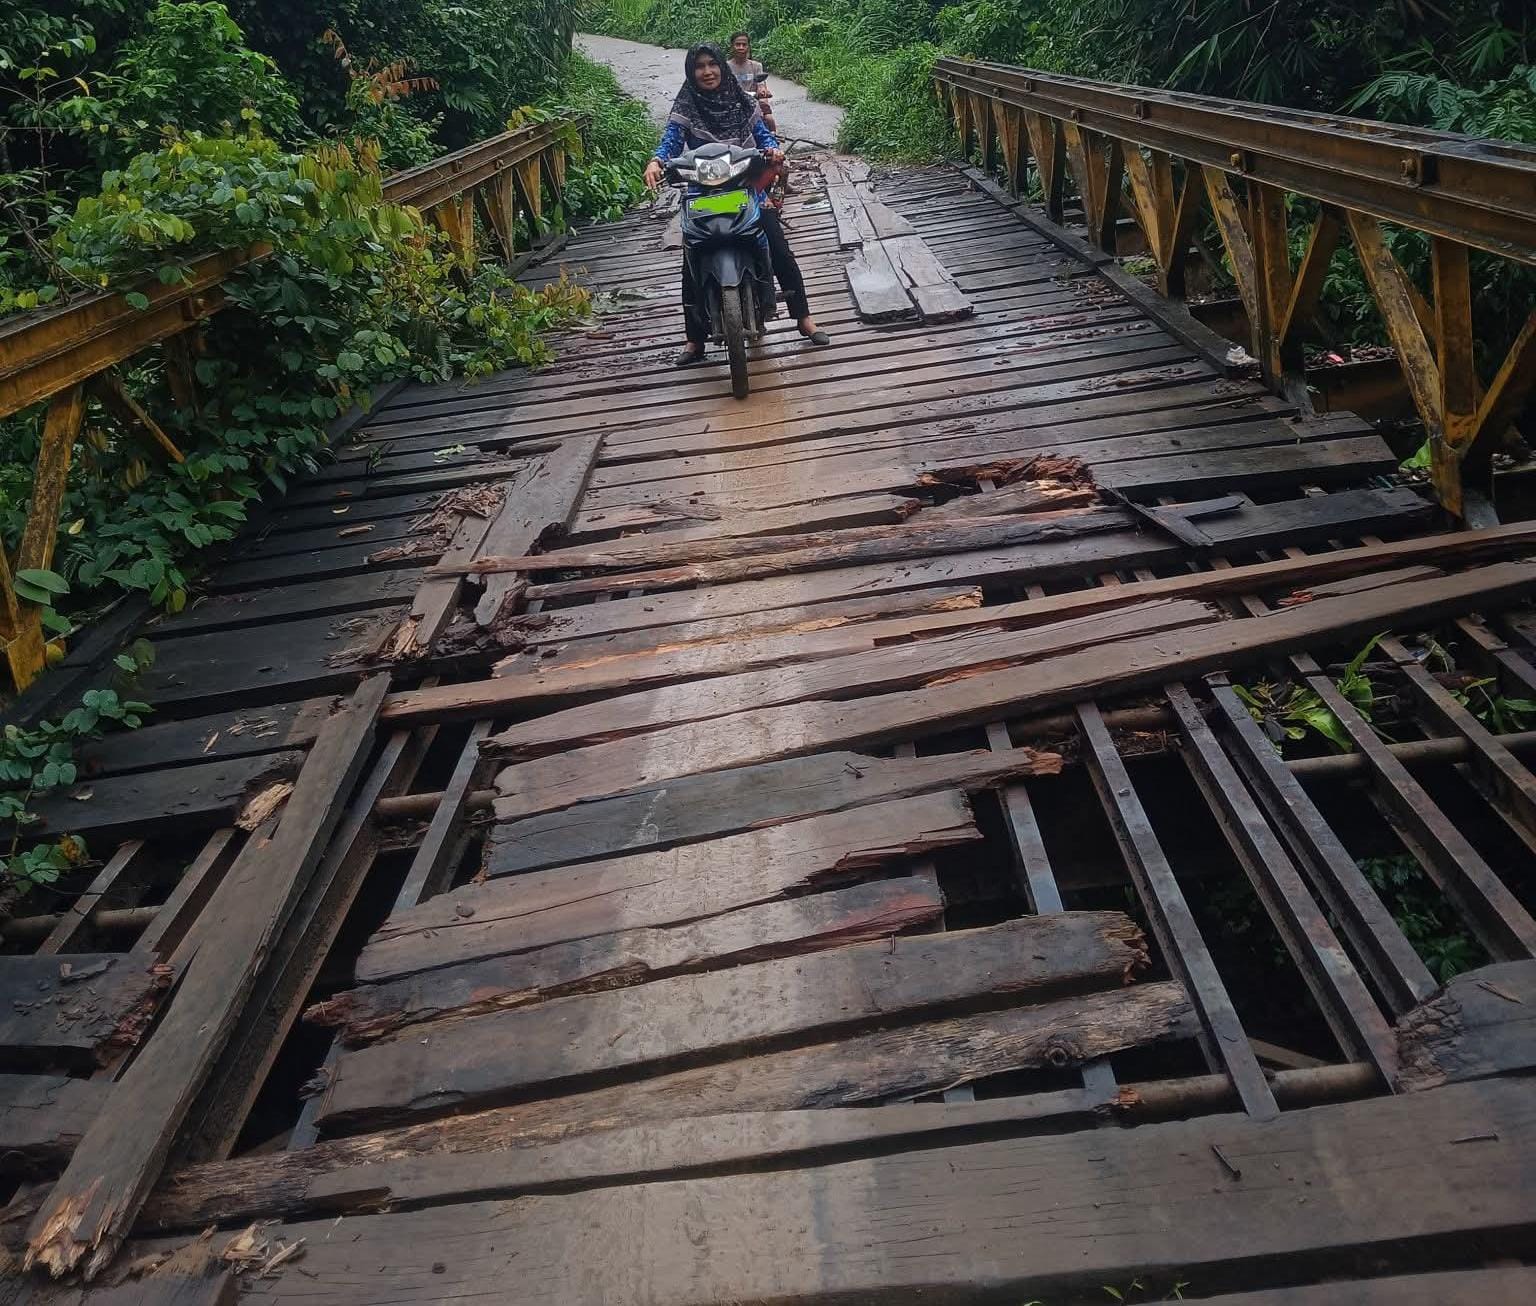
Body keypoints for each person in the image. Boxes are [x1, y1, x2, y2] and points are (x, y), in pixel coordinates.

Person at [643, 43, 828, 367]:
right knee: (691, 257)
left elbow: (764, 136)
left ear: (721, 68)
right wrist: (657, 161)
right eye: (699, 66)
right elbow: (671, 139)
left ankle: (804, 319)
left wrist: (773, 150)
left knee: (778, 246)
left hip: (746, 188)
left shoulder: (743, 101)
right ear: (692, 71)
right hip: (703, 195)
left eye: (712, 64)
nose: (707, 71)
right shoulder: (687, 102)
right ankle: (695, 339)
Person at [726, 31, 776, 135]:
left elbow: (761, 84)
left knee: (769, 118)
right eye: (737, 44)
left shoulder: (756, 66)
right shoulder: (725, 67)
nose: (741, 47)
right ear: (732, 47)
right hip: (733, 103)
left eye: (744, 45)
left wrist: (763, 91)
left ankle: (773, 139)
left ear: (748, 47)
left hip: (753, 102)